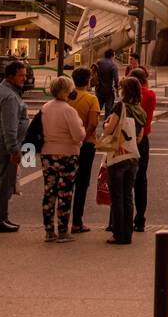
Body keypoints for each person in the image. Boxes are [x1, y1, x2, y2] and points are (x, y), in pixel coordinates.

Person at [37, 75, 86, 243]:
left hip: (47, 154)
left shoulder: (45, 108)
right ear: (67, 90)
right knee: (65, 192)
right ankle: (63, 230)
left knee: (49, 191)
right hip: (67, 154)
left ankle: (49, 230)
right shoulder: (69, 110)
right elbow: (78, 134)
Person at [0, 60, 30, 233]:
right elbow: (9, 128)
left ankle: (2, 217)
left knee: (0, 183)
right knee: (5, 184)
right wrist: (14, 150)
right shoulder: (10, 97)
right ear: (11, 76)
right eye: (21, 75)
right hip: (6, 148)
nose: (24, 79)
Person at [102, 77, 143, 244]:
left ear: (124, 91)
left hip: (118, 156)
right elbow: (139, 138)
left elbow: (110, 129)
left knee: (117, 197)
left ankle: (118, 234)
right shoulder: (140, 110)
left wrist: (105, 126)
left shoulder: (121, 106)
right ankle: (128, 233)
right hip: (133, 156)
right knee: (128, 196)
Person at [67, 67, 101, 234]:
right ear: (88, 81)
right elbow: (93, 123)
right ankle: (77, 222)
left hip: (67, 143)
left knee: (66, 182)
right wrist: (84, 136)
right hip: (86, 144)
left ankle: (62, 219)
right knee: (82, 183)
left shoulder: (67, 97)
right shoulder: (91, 99)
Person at [129, 66, 156, 231]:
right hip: (143, 140)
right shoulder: (150, 95)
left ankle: (117, 220)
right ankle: (140, 219)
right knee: (141, 180)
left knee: (123, 182)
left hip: (126, 140)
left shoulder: (126, 99)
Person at [94, 48, 120, 116]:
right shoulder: (113, 65)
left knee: (97, 109)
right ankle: (106, 125)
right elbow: (116, 79)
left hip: (99, 90)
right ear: (112, 55)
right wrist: (117, 90)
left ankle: (94, 123)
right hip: (109, 91)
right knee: (108, 111)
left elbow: (93, 74)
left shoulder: (98, 62)